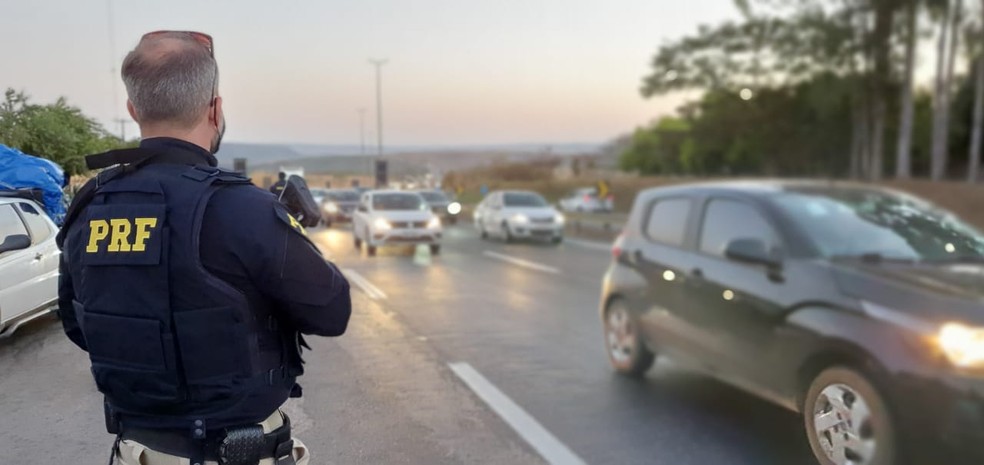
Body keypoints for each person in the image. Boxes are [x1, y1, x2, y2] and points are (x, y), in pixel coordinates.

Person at [56, 31, 351, 465]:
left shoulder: (90, 206)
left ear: (134, 109)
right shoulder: (242, 206)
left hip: (136, 450)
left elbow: (78, 324)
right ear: (215, 108)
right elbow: (331, 311)